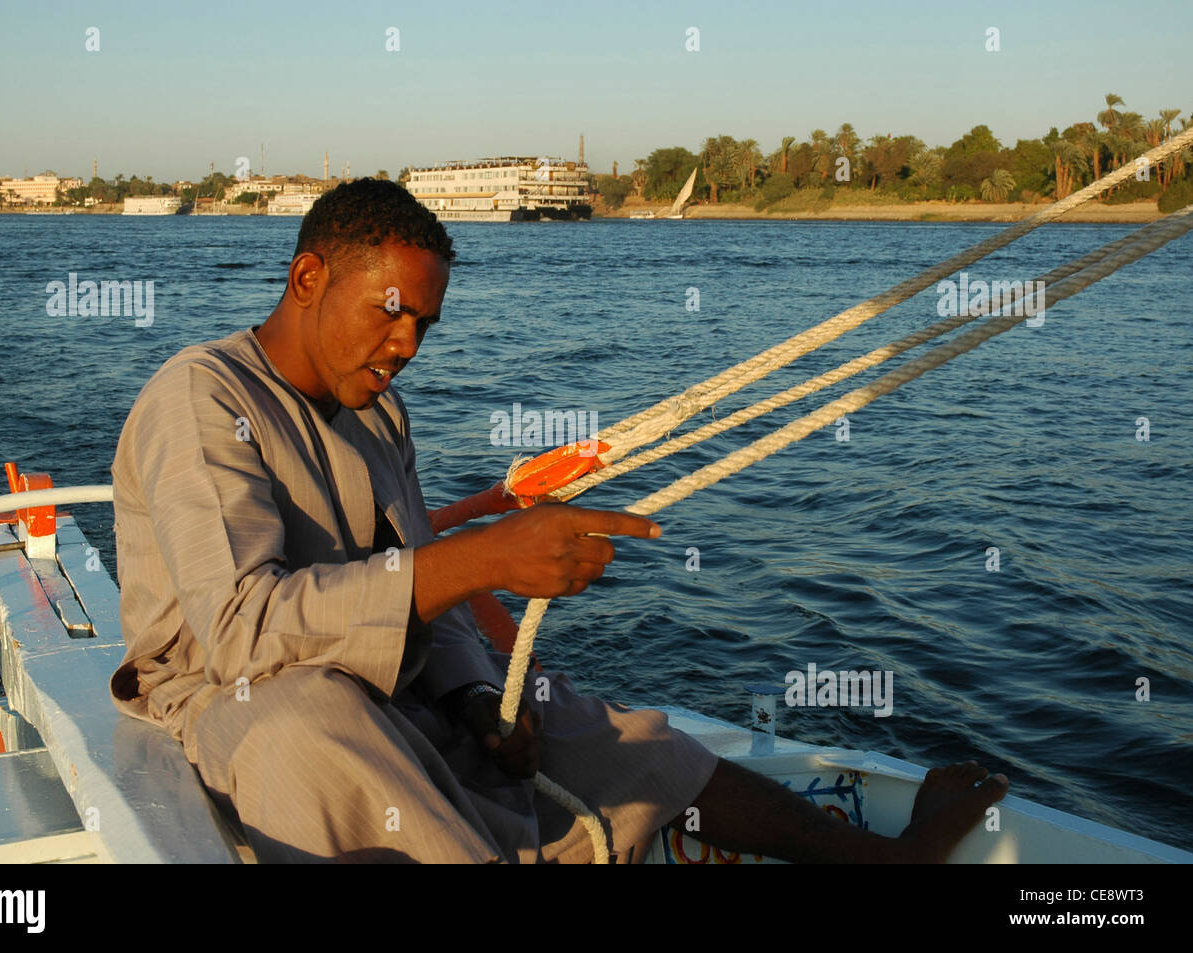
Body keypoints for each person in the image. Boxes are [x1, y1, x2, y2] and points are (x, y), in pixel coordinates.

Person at [109, 178, 1008, 863]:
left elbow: (432, 604)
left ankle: (883, 859)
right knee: (309, 724)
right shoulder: (202, 397)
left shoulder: (380, 416)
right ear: (308, 277)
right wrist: (480, 559)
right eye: (391, 312)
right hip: (237, 696)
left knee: (589, 725)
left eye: (425, 323)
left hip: (391, 683)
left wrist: (472, 696)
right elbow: (238, 631)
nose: (408, 347)